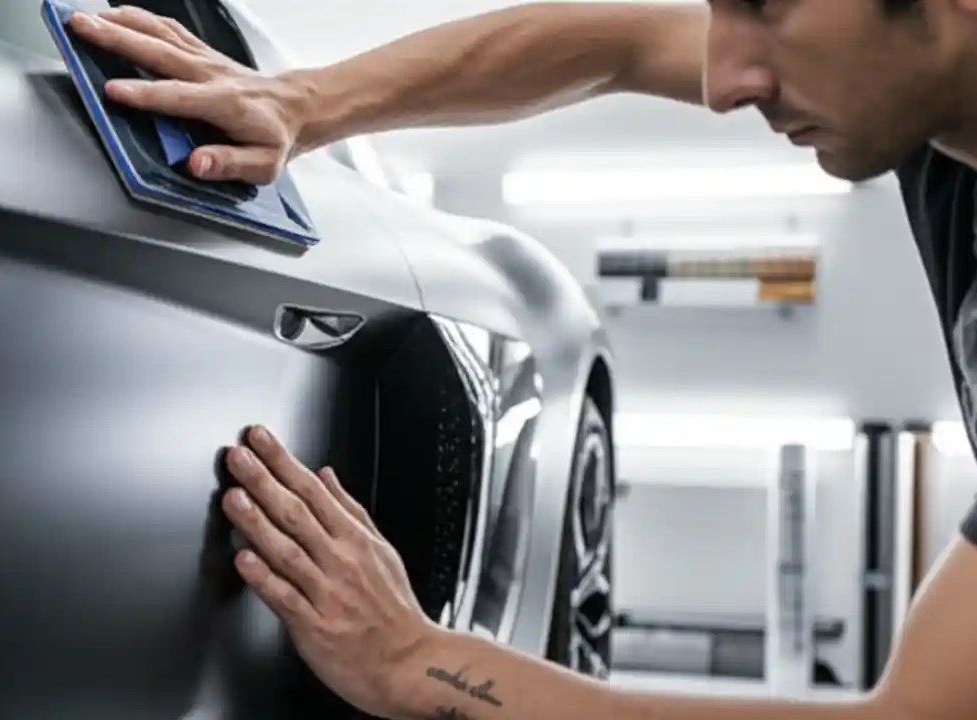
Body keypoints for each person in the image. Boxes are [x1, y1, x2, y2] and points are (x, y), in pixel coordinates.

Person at [69, 2, 977, 718]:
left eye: (766, 6)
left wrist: (421, 664)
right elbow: (616, 43)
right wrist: (305, 104)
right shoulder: (921, 93)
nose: (723, 77)